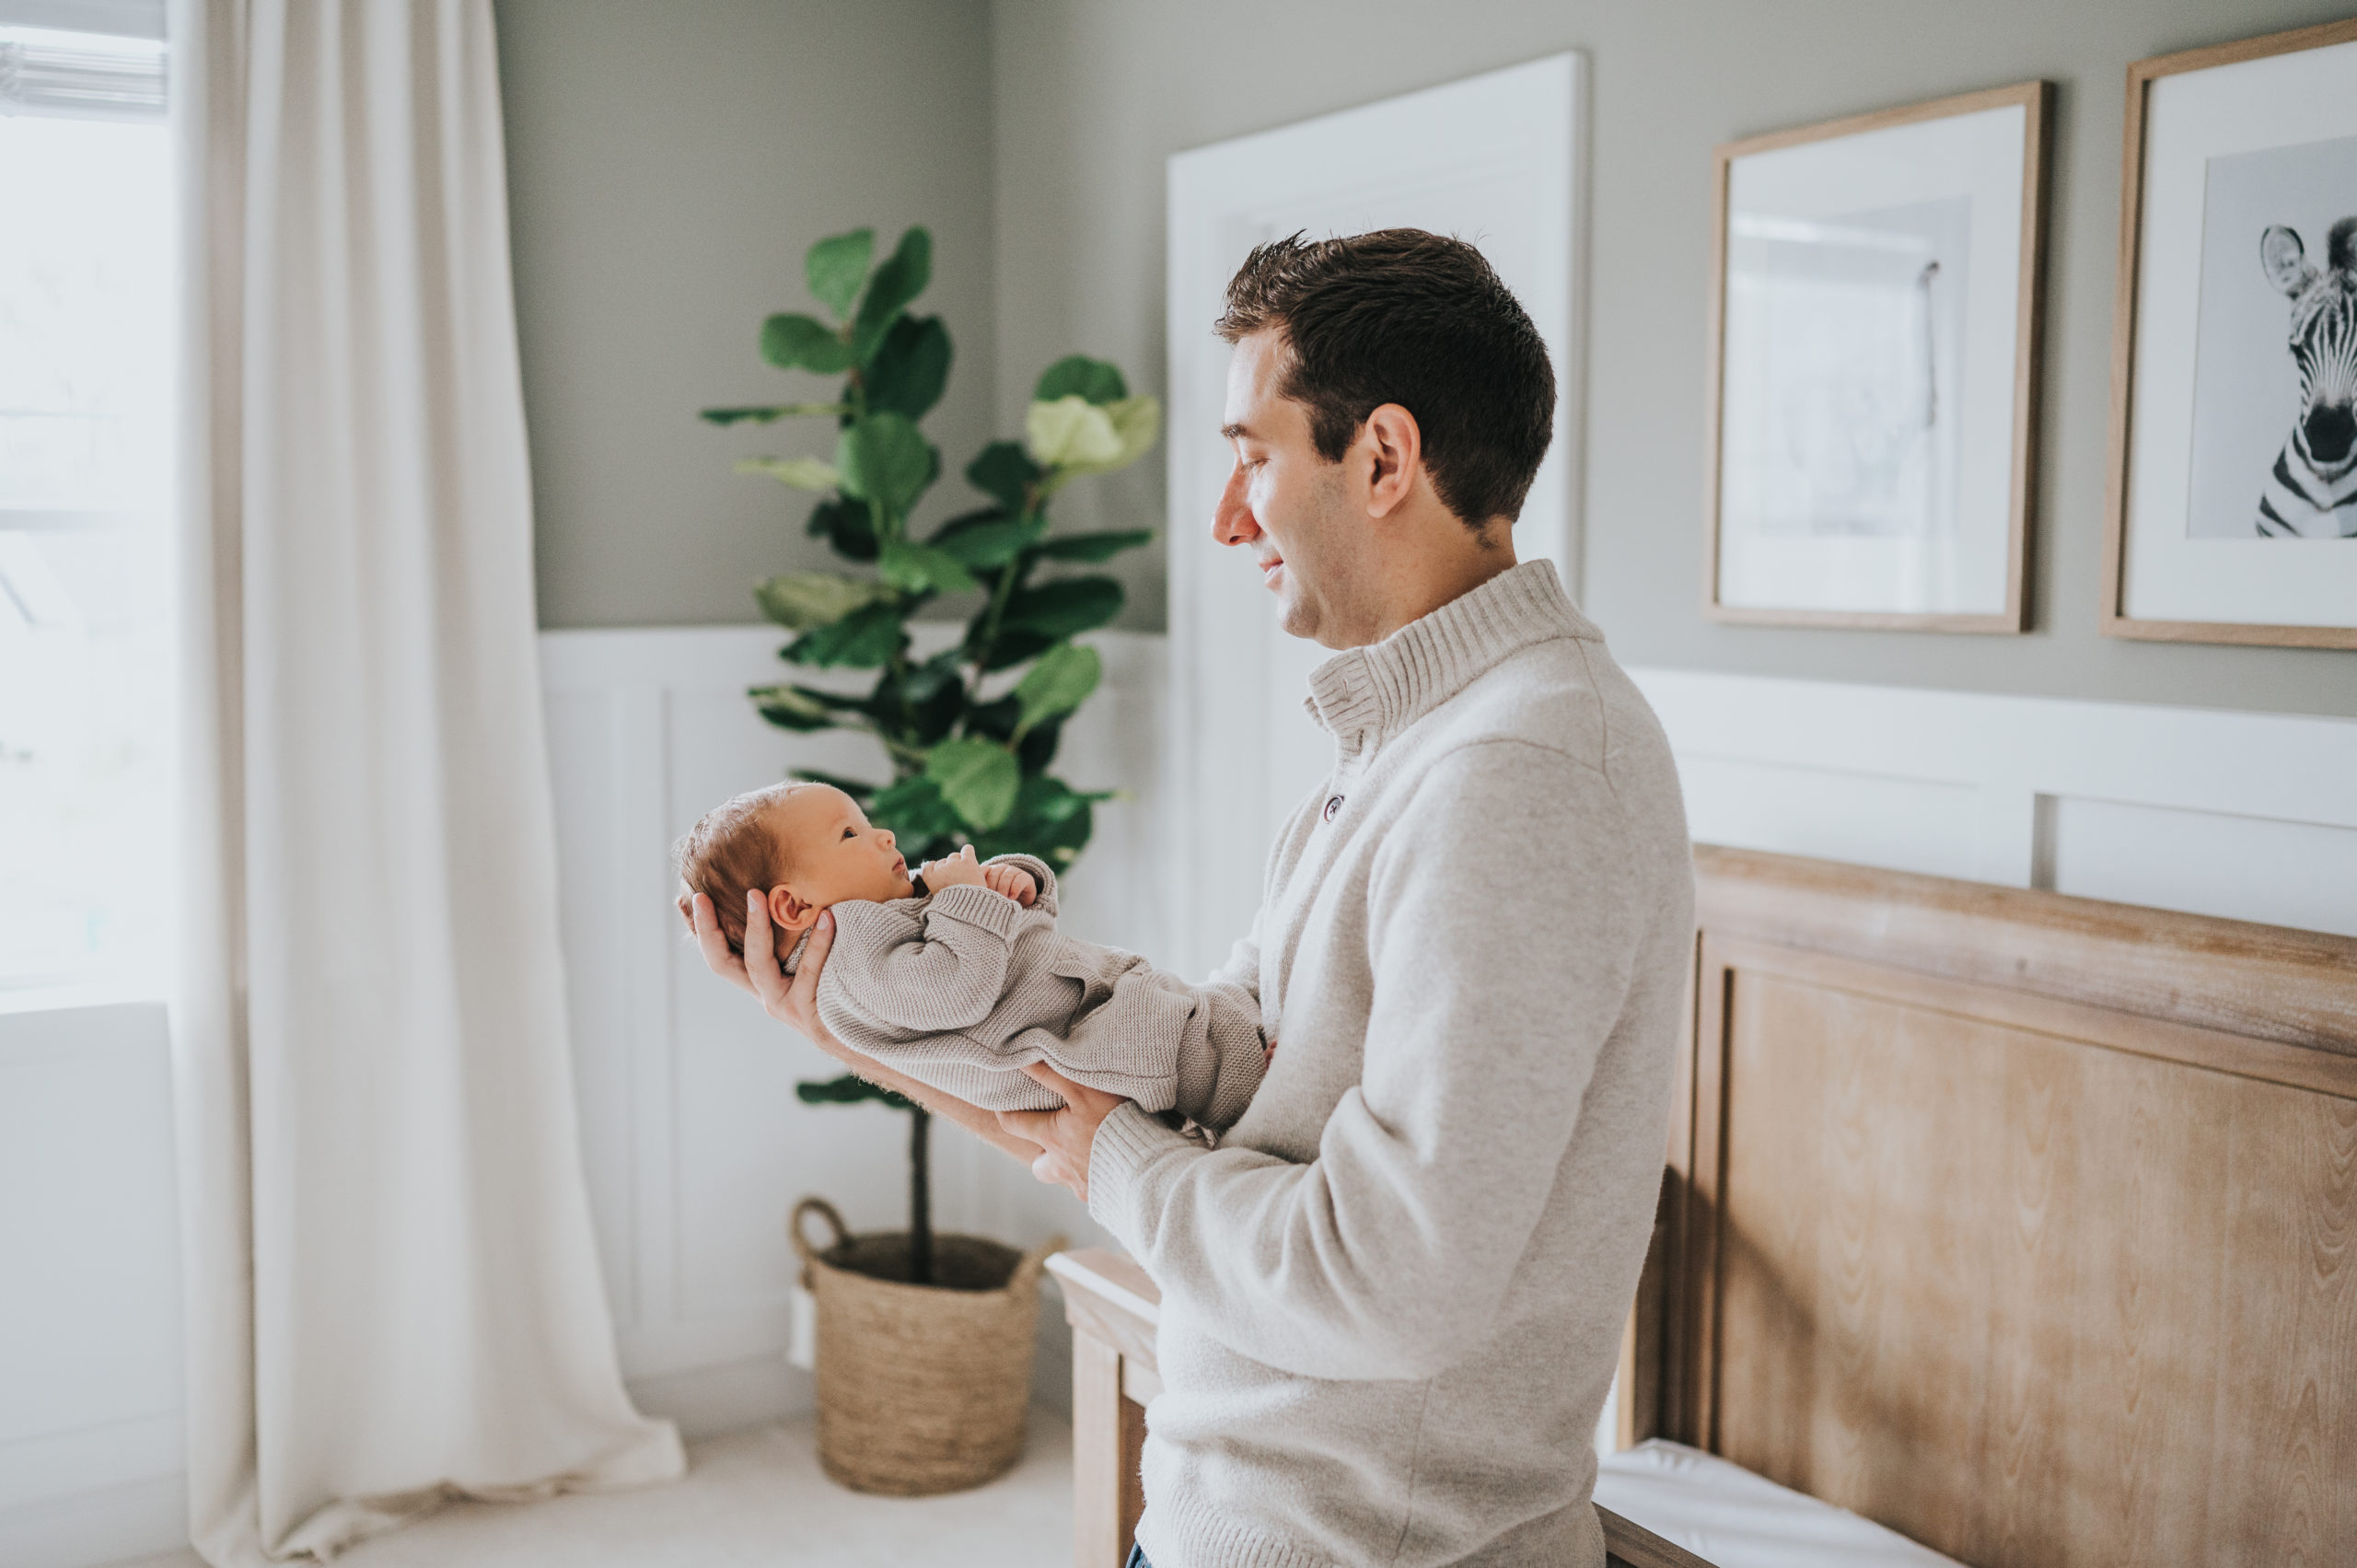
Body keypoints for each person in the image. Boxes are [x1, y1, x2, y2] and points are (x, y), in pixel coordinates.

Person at [694, 228, 1691, 1568]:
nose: (1227, 516)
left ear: (1384, 457)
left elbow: (1387, 1278)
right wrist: (865, 1026)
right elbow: (1175, 1096)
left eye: (1253, 453)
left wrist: (1122, 1158)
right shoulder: (1408, 742)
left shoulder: (1523, 769)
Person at [673, 781, 1263, 1123]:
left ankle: (1255, 1049)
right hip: (1087, 1045)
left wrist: (1012, 882)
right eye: (849, 835)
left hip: (1090, 1012)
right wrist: (966, 898)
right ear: (794, 909)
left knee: (1197, 1019)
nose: (885, 836)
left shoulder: (886, 910)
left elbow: (1005, 926)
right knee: (1196, 1051)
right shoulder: (847, 960)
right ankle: (1257, 1078)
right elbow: (955, 990)